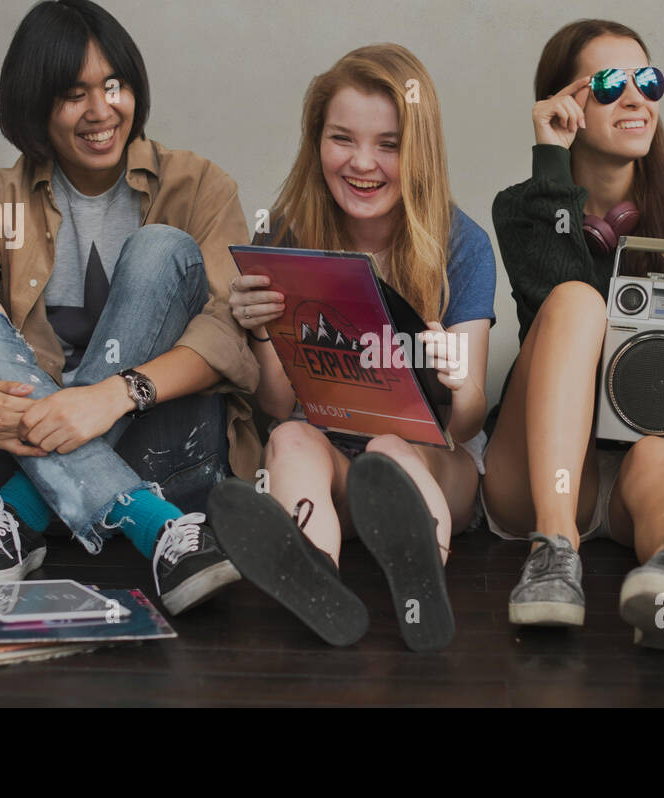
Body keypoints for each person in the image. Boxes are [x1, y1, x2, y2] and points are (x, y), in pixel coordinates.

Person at [0, 0, 260, 615]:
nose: (102, 111)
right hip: (35, 448)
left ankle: (18, 514)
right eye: (74, 94)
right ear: (36, 104)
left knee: (160, 249)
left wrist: (113, 395)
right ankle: (160, 533)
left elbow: (230, 336)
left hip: (167, 455)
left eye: (113, 85)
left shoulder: (198, 184)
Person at [209, 44, 495, 652]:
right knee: (287, 437)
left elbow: (466, 419)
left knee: (392, 448)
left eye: (388, 144)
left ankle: (422, 581)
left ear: (418, 150)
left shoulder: (461, 243)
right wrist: (262, 331)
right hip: (331, 454)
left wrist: (455, 377)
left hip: (433, 461)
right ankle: (315, 574)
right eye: (343, 139)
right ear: (317, 142)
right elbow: (276, 402)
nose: (363, 163)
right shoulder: (285, 233)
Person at [485, 19, 664, 652]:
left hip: (640, 465)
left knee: (658, 452)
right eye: (608, 84)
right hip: (542, 480)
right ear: (564, 103)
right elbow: (558, 290)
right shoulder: (521, 207)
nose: (635, 99)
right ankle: (554, 553)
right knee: (577, 301)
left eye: (647, 82)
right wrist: (551, 156)